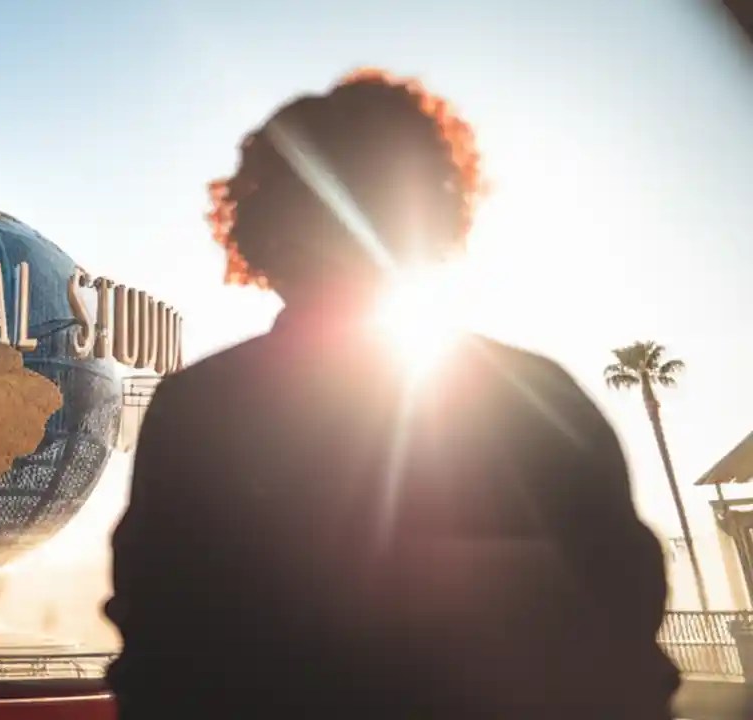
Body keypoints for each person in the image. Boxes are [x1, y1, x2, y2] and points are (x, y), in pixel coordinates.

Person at [104, 69, 677, 719]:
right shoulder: (539, 402)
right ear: (435, 209)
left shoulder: (198, 412)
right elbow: (624, 659)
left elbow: (158, 665)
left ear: (262, 228)